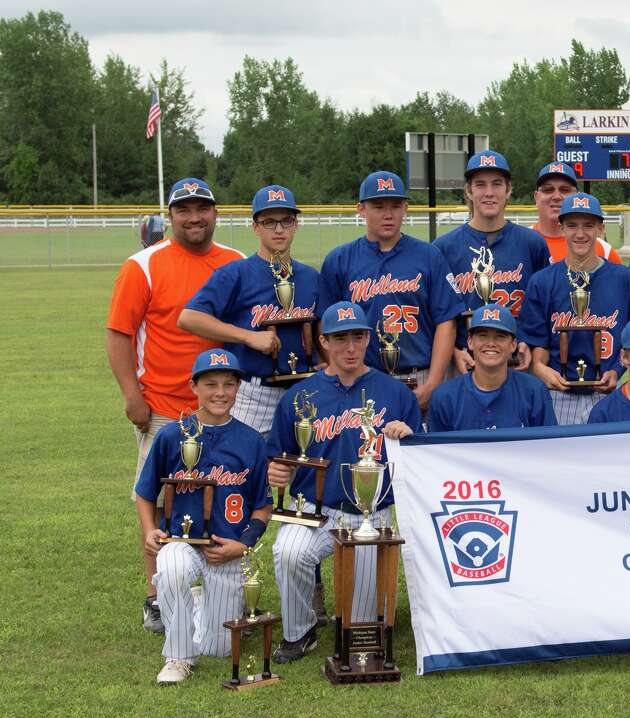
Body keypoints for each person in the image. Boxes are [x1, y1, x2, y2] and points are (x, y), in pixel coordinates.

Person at [107, 177, 244, 634]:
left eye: (202, 209)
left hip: (223, 406)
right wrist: (132, 393)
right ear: (170, 216)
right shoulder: (143, 265)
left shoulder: (235, 262)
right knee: (159, 499)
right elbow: (120, 334)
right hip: (165, 405)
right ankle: (156, 595)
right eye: (184, 210)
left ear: (215, 214)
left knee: (223, 495)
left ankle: (216, 588)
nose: (194, 217)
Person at [268, 302, 422, 663]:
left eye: (357, 337)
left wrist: (407, 435)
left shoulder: (394, 393)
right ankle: (300, 630)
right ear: (323, 341)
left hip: (371, 513)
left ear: (369, 338)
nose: (350, 347)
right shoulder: (299, 396)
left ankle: (359, 621)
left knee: (362, 629)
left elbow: (417, 460)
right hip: (312, 510)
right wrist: (276, 471)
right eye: (340, 339)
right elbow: (280, 457)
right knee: (288, 551)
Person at [135, 349, 272, 684]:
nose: (220, 393)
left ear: (239, 388)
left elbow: (263, 506)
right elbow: (144, 492)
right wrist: (151, 529)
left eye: (228, 384)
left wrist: (242, 545)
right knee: (173, 568)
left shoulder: (251, 441)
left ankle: (197, 605)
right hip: (182, 541)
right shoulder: (172, 436)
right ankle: (178, 658)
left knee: (218, 648)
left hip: (225, 548)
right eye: (210, 384)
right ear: (193, 387)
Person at [179, 184, 319, 434]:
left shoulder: (311, 277)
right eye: (269, 222)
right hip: (254, 392)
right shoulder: (236, 273)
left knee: (303, 468)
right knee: (245, 468)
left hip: (306, 389)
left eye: (286, 221)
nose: (278, 229)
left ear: (296, 225)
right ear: (255, 227)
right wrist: (247, 336)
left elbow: (323, 330)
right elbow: (189, 318)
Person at [316, 171, 460, 410]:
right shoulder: (340, 260)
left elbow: (447, 322)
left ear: (405, 208)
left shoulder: (428, 256)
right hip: (362, 377)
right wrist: (336, 366)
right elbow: (325, 324)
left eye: (395, 206)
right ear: (361, 209)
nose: (388, 214)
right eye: (378, 206)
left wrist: (434, 382)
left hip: (419, 375)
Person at [432, 150, 551, 373]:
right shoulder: (443, 248)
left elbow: (544, 307)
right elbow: (438, 315)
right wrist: (455, 350)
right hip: (464, 364)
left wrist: (529, 341)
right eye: (480, 184)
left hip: (518, 362)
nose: (489, 192)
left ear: (508, 190)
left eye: (497, 184)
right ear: (468, 191)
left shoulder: (532, 244)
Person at [521, 193, 630, 424]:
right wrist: (539, 367)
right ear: (561, 228)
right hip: (558, 395)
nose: (580, 233)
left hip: (608, 394)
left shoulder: (623, 277)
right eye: (572, 225)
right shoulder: (542, 281)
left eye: (588, 225)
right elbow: (538, 341)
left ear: (601, 228)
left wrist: (617, 370)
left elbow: (629, 338)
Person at [427, 304, 557, 431]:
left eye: (500, 336)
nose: (491, 343)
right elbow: (434, 451)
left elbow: (550, 447)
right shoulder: (445, 397)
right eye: (483, 336)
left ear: (513, 345)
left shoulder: (534, 391)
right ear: (470, 342)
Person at [530, 161, 622, 264]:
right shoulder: (518, 242)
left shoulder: (604, 250)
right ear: (536, 197)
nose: (556, 196)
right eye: (548, 190)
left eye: (564, 190)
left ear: (576, 196)